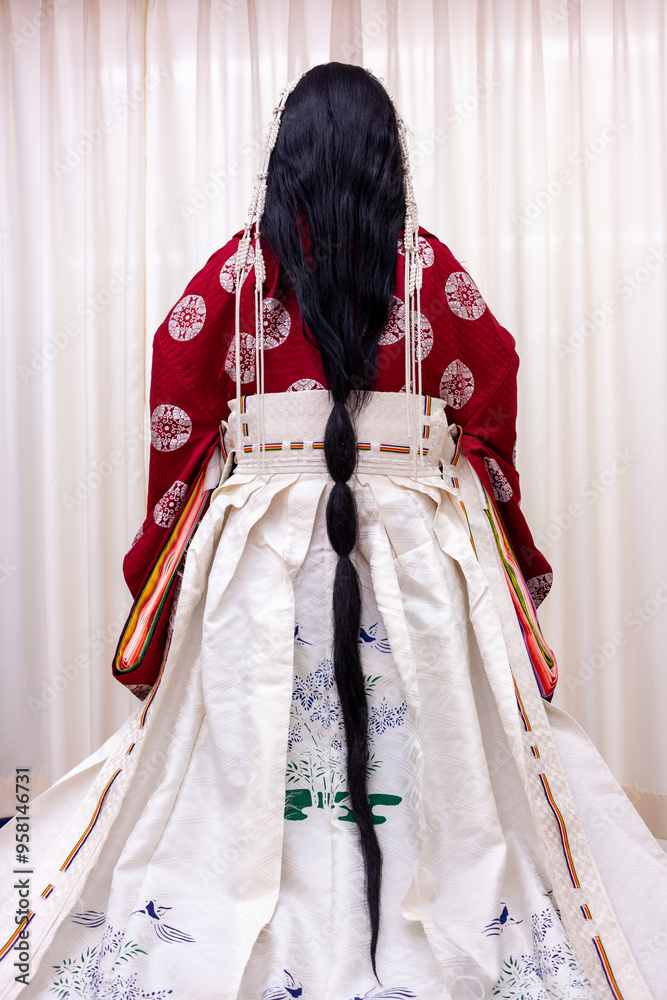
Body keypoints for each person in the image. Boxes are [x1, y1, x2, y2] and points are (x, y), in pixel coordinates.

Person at [1, 62, 666, 1000]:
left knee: (232, 741)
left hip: (258, 549)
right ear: (385, 158)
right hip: (415, 550)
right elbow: (492, 377)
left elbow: (176, 386)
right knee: (448, 742)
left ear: (288, 157)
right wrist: (467, 479)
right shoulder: (424, 266)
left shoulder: (236, 272)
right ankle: (442, 913)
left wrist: (177, 523)